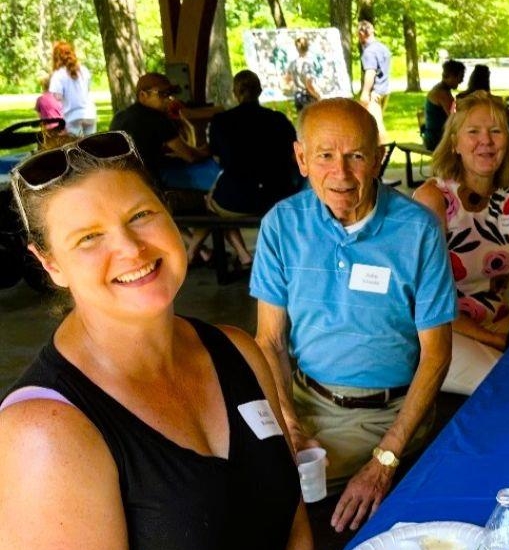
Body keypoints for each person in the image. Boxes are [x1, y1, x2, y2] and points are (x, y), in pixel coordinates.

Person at [0, 131, 309, 548]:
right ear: (50, 264)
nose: (130, 248)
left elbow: (293, 521)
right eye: (88, 237)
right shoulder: (42, 434)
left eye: (140, 215)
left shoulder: (239, 352)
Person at [250, 98, 456, 539]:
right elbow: (269, 342)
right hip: (303, 405)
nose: (340, 174)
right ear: (301, 158)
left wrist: (384, 459)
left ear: (379, 159)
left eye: (356, 156)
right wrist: (287, 422)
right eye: (324, 155)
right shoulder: (281, 226)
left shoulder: (417, 229)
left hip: (390, 415)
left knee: (337, 520)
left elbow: (437, 354)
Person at [412, 92, 509, 395]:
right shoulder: (434, 199)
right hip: (443, 331)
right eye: (473, 132)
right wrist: (498, 340)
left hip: (499, 320)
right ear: (454, 143)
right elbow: (425, 299)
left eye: (496, 131)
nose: (487, 141)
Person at [110, 72, 212, 263]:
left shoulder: (120, 117)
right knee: (213, 203)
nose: (168, 100)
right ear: (143, 95)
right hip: (154, 190)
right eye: (162, 95)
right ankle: (194, 252)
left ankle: (200, 250)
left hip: (122, 190)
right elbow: (189, 155)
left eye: (170, 95)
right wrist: (207, 150)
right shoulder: (157, 119)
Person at [206, 70, 300, 269]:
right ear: (260, 91)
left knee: (210, 205)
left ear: (234, 92)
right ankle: (280, 255)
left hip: (234, 200)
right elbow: (295, 156)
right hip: (277, 197)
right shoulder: (278, 119)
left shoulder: (221, 121)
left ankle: (242, 254)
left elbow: (216, 156)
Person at [48, 40, 97, 137]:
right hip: (89, 113)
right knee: (91, 145)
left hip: (72, 116)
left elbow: (57, 97)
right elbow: (88, 89)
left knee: (76, 147)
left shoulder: (58, 75)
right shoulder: (84, 70)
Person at [357, 20, 392, 145]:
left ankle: (383, 155)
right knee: (376, 123)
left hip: (375, 93)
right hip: (385, 90)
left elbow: (370, 72)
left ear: (362, 33)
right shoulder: (383, 48)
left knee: (376, 126)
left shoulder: (369, 51)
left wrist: (365, 92)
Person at [423, 60, 466, 151]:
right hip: (436, 140)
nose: (462, 81)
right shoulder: (442, 93)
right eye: (460, 77)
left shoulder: (441, 89)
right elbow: (454, 116)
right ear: (451, 76)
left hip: (433, 137)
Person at [286, 36, 322, 113]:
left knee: (302, 122)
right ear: (307, 47)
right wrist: (318, 96)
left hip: (297, 96)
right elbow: (309, 85)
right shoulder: (307, 64)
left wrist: (296, 82)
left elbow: (287, 79)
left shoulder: (293, 63)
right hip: (308, 97)